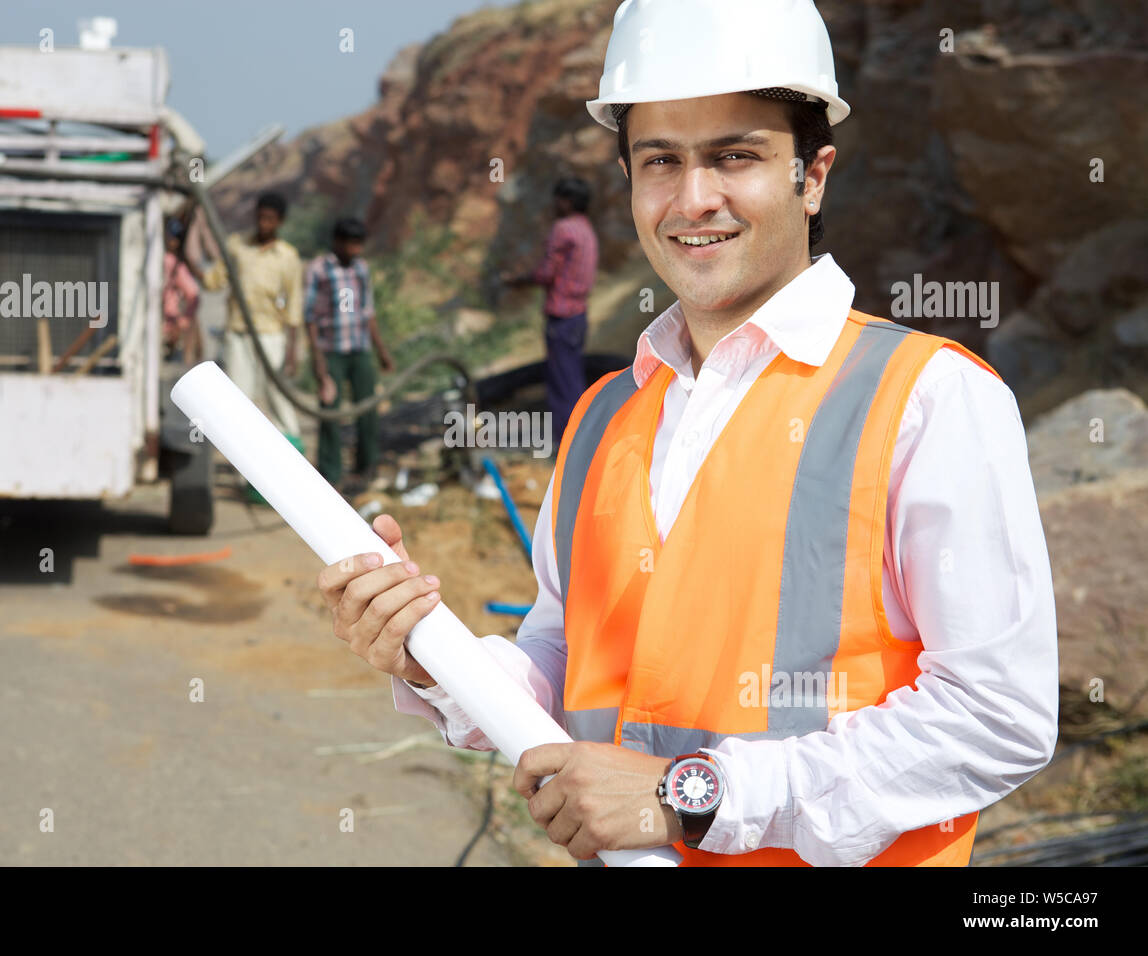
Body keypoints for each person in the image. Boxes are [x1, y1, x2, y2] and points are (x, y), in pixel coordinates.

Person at [314, 0, 1058, 866]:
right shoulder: (601, 418)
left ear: (812, 176)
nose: (693, 198)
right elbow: (560, 657)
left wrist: (689, 797)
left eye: (734, 156)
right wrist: (429, 658)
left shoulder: (928, 399)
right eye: (660, 160)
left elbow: (997, 717)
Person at [202, 192, 306, 462]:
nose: (264, 224)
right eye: (261, 217)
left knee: (278, 397)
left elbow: (294, 303)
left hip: (272, 336)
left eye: (270, 219)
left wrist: (293, 349)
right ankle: (245, 464)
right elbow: (214, 281)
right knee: (240, 400)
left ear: (280, 222)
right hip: (239, 335)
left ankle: (289, 455)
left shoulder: (287, 257)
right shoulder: (237, 246)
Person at [502, 177, 599, 444]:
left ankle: (567, 442)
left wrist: (518, 280)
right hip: (579, 314)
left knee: (561, 382)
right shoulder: (586, 229)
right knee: (573, 378)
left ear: (566, 201)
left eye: (558, 199)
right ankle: (581, 436)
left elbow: (547, 272)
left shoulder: (563, 229)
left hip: (562, 315)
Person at [304, 217, 394, 494]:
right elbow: (309, 317)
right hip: (331, 351)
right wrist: (318, 363)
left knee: (367, 408)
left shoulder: (361, 270)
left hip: (359, 349)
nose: (355, 251)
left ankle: (366, 467)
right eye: (351, 244)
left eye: (359, 245)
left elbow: (368, 313)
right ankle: (330, 475)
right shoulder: (318, 270)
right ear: (337, 242)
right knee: (330, 411)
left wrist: (381, 352)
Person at [161, 218, 201, 366]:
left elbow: (193, 294)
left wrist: (182, 322)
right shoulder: (164, 260)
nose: (172, 242)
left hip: (167, 330)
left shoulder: (172, 263)